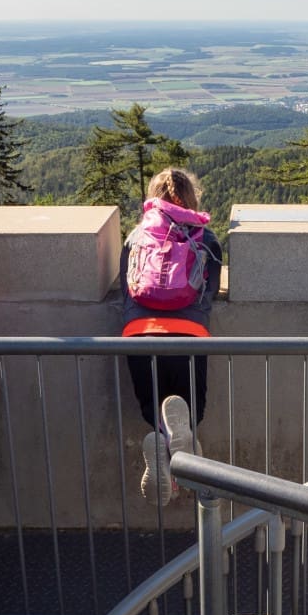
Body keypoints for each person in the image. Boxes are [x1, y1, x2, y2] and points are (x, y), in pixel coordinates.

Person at [119, 168, 223, 503]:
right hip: (188, 336)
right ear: (193, 198)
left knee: (152, 405)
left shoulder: (136, 236)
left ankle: (162, 442)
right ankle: (180, 439)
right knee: (193, 410)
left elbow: (126, 288)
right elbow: (209, 294)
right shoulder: (205, 239)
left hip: (138, 335)